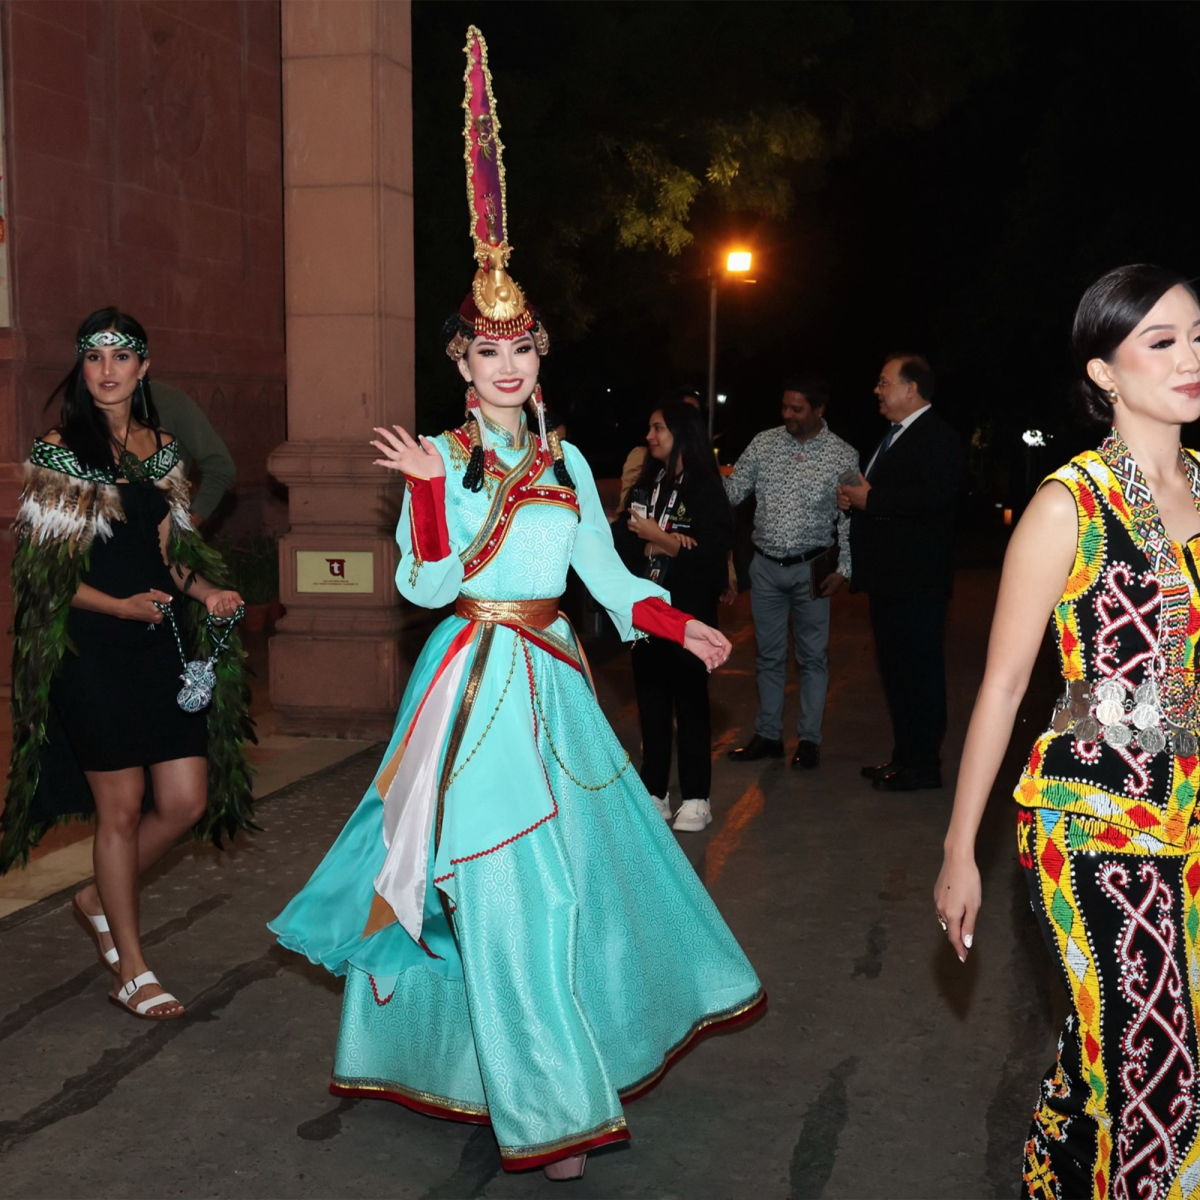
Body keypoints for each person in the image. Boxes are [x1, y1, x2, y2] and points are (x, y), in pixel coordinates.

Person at [269, 28, 764, 1182]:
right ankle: (544, 1109)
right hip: (471, 694)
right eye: (487, 348)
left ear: (538, 359)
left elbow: (606, 576)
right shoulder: (436, 457)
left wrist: (669, 621)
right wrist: (435, 500)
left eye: (521, 346)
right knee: (500, 893)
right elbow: (424, 587)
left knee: (577, 891)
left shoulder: (575, 462)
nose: (505, 363)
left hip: (558, 693)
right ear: (460, 361)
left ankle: (535, 1072)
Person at [934, 264, 1200, 1199]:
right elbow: (1003, 688)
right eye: (1160, 342)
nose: (1190, 358)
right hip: (1093, 817)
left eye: (1198, 337)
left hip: (1195, 821)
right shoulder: (1068, 505)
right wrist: (960, 849)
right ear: (1104, 372)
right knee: (1155, 1070)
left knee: (1125, 1058)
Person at [0, 307, 254, 1021]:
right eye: (93, 357)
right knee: (120, 809)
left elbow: (172, 556)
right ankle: (133, 971)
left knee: (185, 801)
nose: (107, 369)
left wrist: (208, 592)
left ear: (143, 368)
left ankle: (94, 899)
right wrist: (118, 608)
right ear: (82, 370)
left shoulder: (164, 450)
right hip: (90, 648)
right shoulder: (61, 452)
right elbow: (42, 575)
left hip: (159, 644)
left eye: (121, 356)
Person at [838, 354, 964, 790]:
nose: (877, 390)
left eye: (884, 382)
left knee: (919, 674)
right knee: (896, 673)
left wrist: (870, 501)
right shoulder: (893, 435)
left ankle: (923, 765)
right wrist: (857, 498)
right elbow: (882, 493)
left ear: (911, 389)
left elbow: (931, 499)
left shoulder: (937, 438)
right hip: (889, 579)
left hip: (917, 581)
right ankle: (904, 757)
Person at [725, 380, 858, 768]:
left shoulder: (842, 455)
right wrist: (702, 472)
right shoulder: (764, 444)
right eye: (784, 407)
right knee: (768, 656)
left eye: (796, 409)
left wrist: (844, 569)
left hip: (812, 570)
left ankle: (809, 741)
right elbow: (733, 493)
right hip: (765, 567)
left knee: (812, 657)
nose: (787, 415)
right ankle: (768, 735)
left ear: (818, 410)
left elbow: (848, 518)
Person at [616, 401, 734, 831]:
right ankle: (656, 791)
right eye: (649, 427)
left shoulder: (705, 487)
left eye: (659, 427)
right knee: (650, 699)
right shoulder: (649, 483)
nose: (651, 436)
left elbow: (711, 557)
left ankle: (697, 797)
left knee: (690, 701)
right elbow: (623, 540)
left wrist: (661, 539)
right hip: (648, 610)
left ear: (682, 432)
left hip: (689, 612)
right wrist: (659, 543)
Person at [151, 382, 237, 525]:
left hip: (155, 536)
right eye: (98, 358)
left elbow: (221, 466)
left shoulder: (168, 402)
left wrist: (187, 527)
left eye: (122, 358)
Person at [618, 387, 702, 508]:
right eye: (686, 411)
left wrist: (654, 528)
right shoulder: (648, 465)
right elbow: (628, 514)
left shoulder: (703, 477)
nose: (649, 436)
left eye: (695, 413)